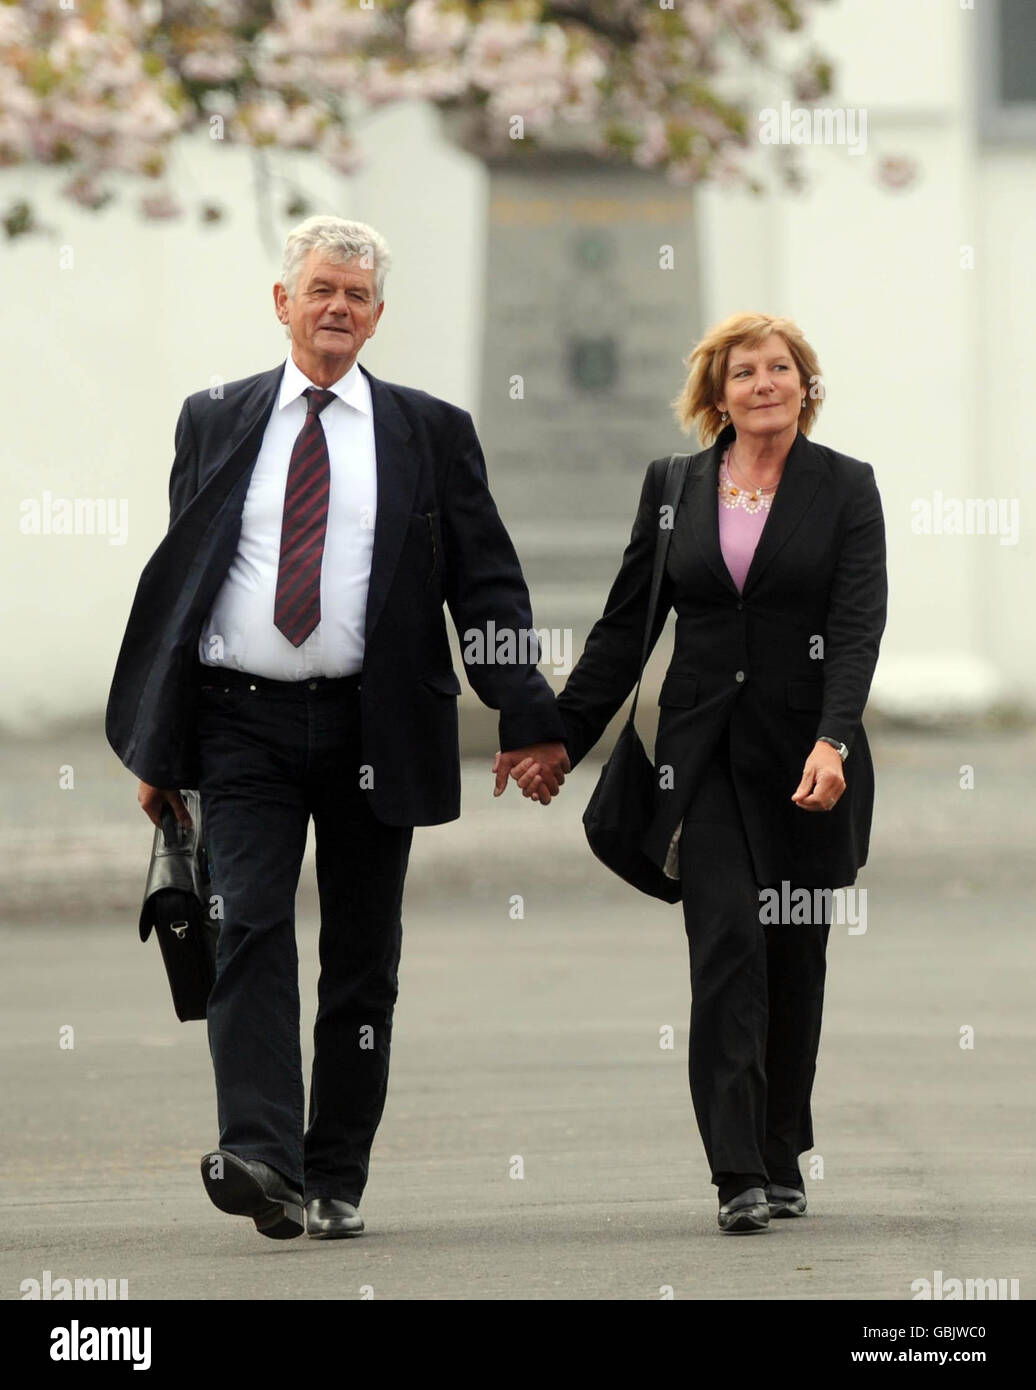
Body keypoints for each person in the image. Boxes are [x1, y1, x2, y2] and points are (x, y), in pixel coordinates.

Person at [105, 215, 570, 1240]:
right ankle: (260, 1155)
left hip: (376, 726)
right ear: (283, 302)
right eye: (320, 289)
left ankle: (335, 1173)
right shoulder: (215, 418)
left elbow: (486, 588)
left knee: (361, 957)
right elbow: (184, 584)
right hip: (242, 723)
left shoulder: (429, 432)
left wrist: (529, 719)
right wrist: (160, 743)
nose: (336, 308)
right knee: (250, 922)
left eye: (356, 296)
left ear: (376, 317)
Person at [510, 312, 887, 1233]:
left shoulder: (846, 487)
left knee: (793, 959)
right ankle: (737, 1175)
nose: (765, 383)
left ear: (808, 383)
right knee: (728, 951)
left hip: (806, 760)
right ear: (717, 396)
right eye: (745, 372)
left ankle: (782, 1148)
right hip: (702, 757)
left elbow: (855, 625)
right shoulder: (674, 487)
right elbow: (626, 621)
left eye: (781, 368)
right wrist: (557, 736)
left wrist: (834, 739)